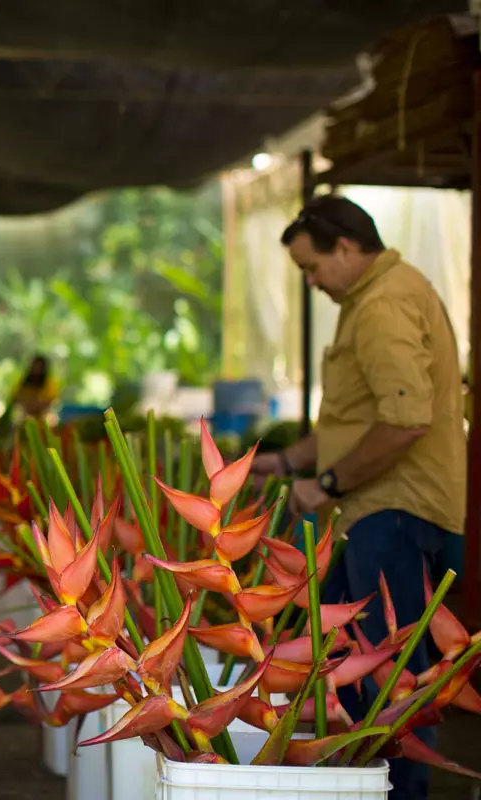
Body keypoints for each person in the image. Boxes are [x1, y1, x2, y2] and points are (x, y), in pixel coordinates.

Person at [251, 195, 464, 800]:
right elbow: (358, 417)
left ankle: (398, 794)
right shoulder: (368, 297)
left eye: (311, 268)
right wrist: (290, 461)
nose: (311, 283)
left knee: (388, 679)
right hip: (369, 513)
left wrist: (328, 483)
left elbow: (404, 421)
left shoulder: (384, 304)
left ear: (345, 248)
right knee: (350, 672)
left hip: (391, 513)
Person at [14, 354, 58, 420]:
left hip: (43, 419)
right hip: (24, 418)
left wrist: (38, 405)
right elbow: (16, 398)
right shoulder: (23, 383)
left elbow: (52, 401)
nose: (36, 369)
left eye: (39, 366)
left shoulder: (48, 383)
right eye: (35, 365)